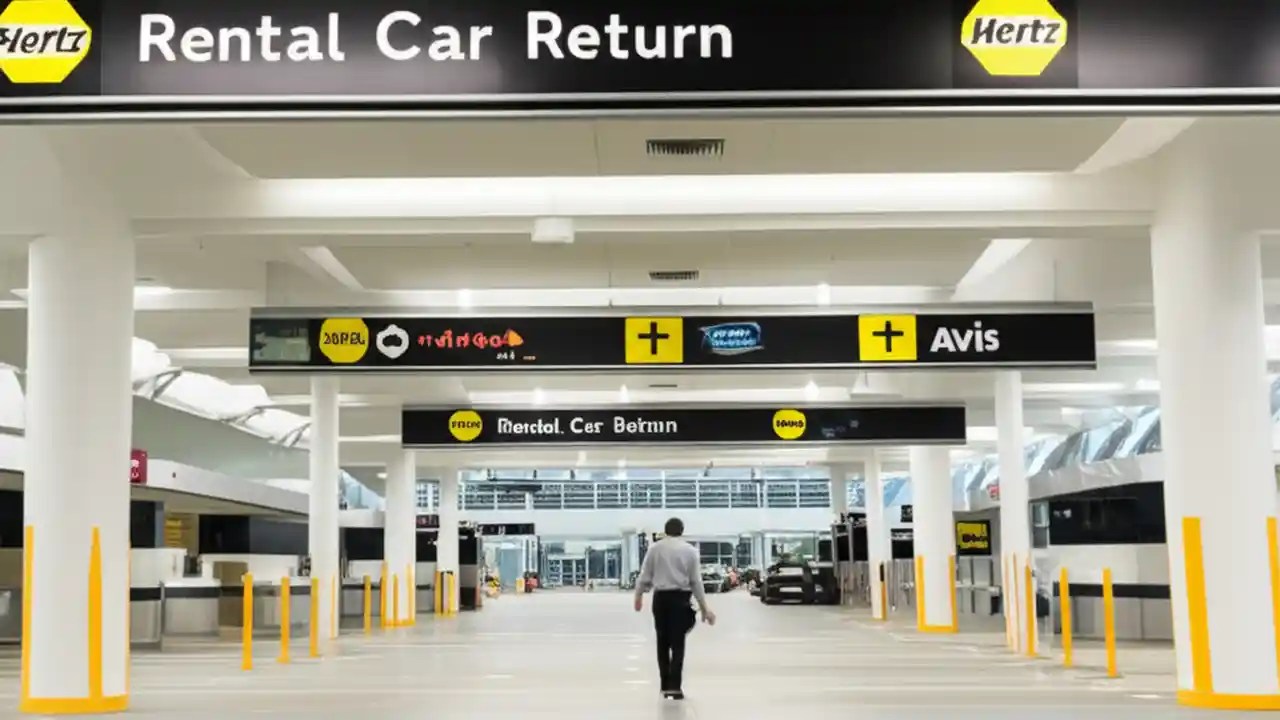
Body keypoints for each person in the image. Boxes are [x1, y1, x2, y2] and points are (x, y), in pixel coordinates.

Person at [633, 518, 716, 700]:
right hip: (681, 599)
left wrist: (638, 596)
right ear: (681, 531)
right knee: (678, 643)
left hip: (661, 599)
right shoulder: (690, 551)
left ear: (665, 530)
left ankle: (664, 685)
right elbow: (696, 582)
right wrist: (704, 608)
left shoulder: (655, 549)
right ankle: (675, 687)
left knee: (662, 642)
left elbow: (645, 575)